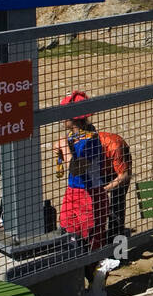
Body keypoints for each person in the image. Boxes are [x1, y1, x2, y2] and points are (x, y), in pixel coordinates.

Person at [53, 91, 108, 251]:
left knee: (90, 239)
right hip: (73, 192)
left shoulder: (91, 140)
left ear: (73, 118)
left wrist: (65, 150)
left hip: (89, 195)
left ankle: (96, 270)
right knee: (68, 231)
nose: (62, 118)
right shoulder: (74, 136)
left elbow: (77, 169)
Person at [96, 126, 132, 267]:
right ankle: (98, 253)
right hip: (100, 170)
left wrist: (104, 189)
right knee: (96, 212)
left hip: (119, 173)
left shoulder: (114, 146)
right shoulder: (85, 145)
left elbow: (123, 175)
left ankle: (119, 255)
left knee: (117, 210)